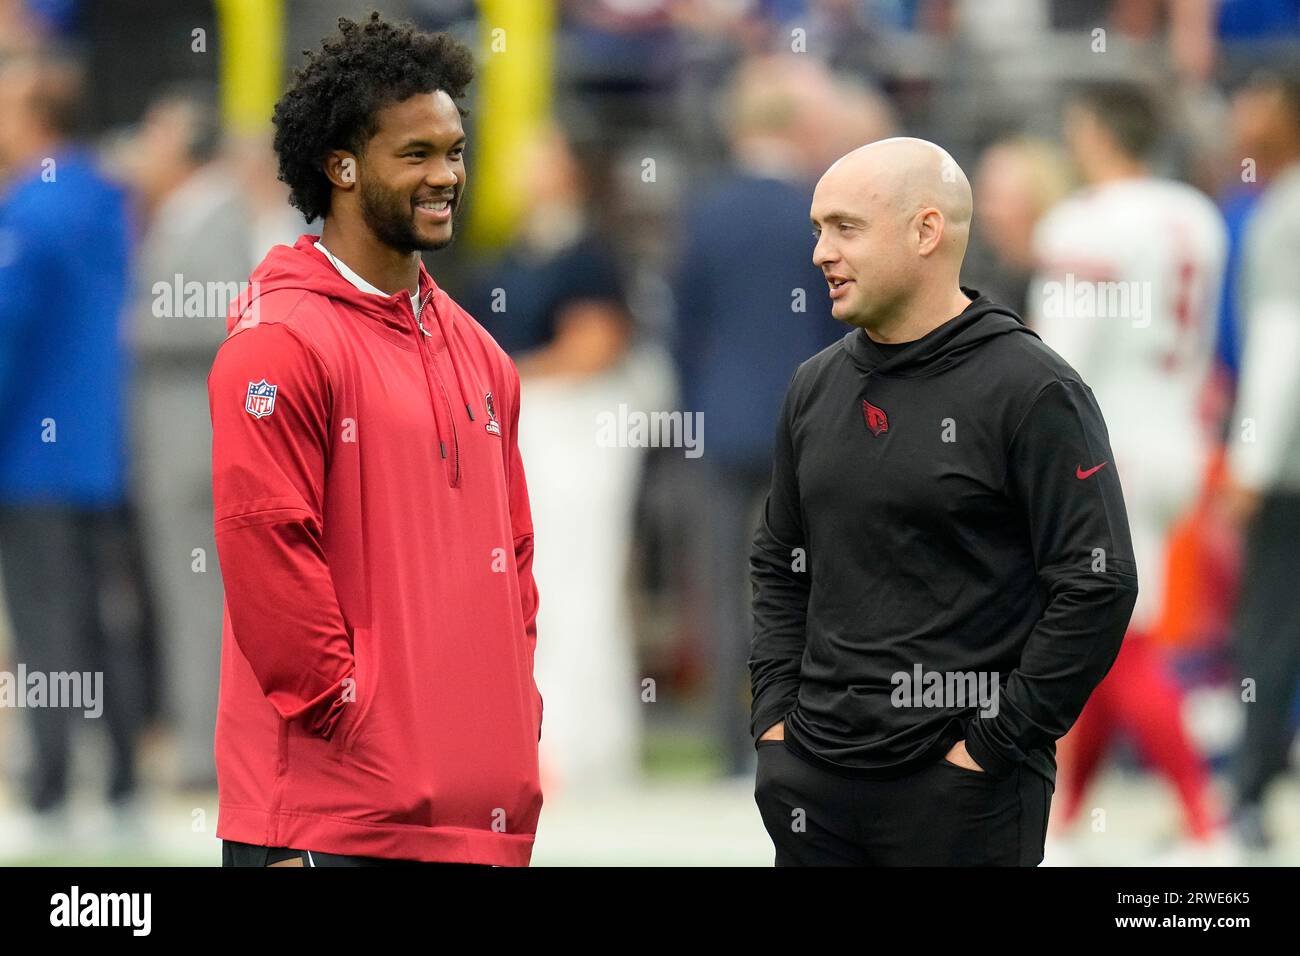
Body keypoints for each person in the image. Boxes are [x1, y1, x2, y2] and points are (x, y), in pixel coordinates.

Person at [749, 137, 1139, 866]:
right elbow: (780, 561)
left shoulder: (1033, 389)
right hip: (815, 787)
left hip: (960, 796)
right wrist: (775, 722)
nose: (821, 253)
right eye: (817, 230)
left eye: (845, 227)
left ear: (926, 231)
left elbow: (1097, 583)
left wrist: (992, 746)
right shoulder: (813, 386)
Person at [210, 13, 542, 867]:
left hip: (476, 817)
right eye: (418, 155)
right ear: (342, 166)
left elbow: (515, 556)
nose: (447, 176)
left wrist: (511, 715)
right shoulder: (278, 340)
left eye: (455, 151)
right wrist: (350, 713)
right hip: (329, 816)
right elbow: (267, 551)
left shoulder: (481, 352)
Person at [1029, 83, 1232, 861]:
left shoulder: (1087, 222)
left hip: (1107, 442)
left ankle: (1203, 824)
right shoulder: (1197, 215)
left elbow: (1059, 358)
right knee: (1110, 629)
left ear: (1091, 131)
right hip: (1178, 431)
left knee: (1117, 641)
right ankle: (1068, 821)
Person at [0, 37, 145, 853]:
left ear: (32, 116)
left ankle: (50, 781)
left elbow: (7, 338)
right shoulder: (106, 203)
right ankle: (122, 773)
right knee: (103, 620)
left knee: (45, 627)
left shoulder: (27, 210)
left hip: (30, 457)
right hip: (98, 451)